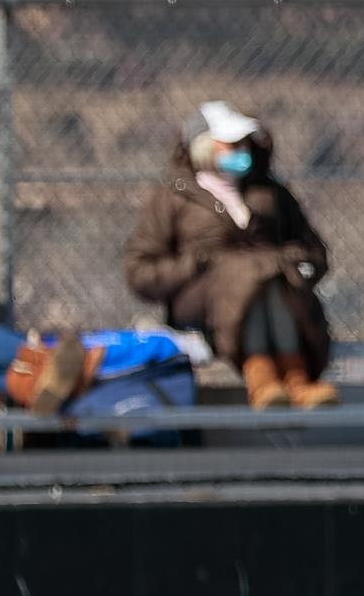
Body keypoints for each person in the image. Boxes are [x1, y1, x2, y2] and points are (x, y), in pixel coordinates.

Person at [124, 102, 338, 409]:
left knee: (267, 278)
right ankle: (262, 376)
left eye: (244, 142)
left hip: (275, 292)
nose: (242, 150)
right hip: (203, 305)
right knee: (244, 277)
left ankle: (296, 377)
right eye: (232, 143)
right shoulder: (174, 199)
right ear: (204, 147)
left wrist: (291, 261)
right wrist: (194, 264)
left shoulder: (271, 193)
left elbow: (313, 251)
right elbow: (140, 270)